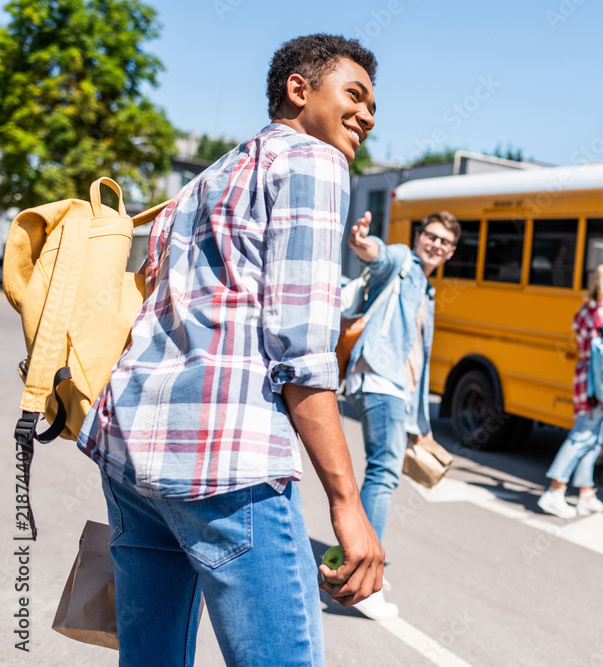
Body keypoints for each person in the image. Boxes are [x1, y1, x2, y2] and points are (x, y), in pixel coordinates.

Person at [76, 34, 383, 665]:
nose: (367, 116)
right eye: (354, 95)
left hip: (130, 455)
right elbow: (302, 353)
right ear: (299, 90)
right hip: (226, 462)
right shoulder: (314, 160)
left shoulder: (205, 181)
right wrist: (347, 504)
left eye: (373, 107)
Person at [343, 209, 459, 617]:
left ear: (451, 251)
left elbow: (416, 363)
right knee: (382, 474)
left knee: (380, 473)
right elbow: (379, 256)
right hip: (378, 378)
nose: (436, 245)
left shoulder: (426, 287)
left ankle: (354, 561)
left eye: (445, 242)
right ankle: (364, 579)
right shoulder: (402, 261)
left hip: (394, 389)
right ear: (419, 236)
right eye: (432, 236)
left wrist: (418, 422)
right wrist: (363, 243)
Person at [537, 264, 603, 519]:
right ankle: (554, 490)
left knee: (593, 437)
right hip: (601, 382)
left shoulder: (586, 310)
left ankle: (586, 493)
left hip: (584, 375)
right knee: (582, 435)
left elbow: (581, 339)